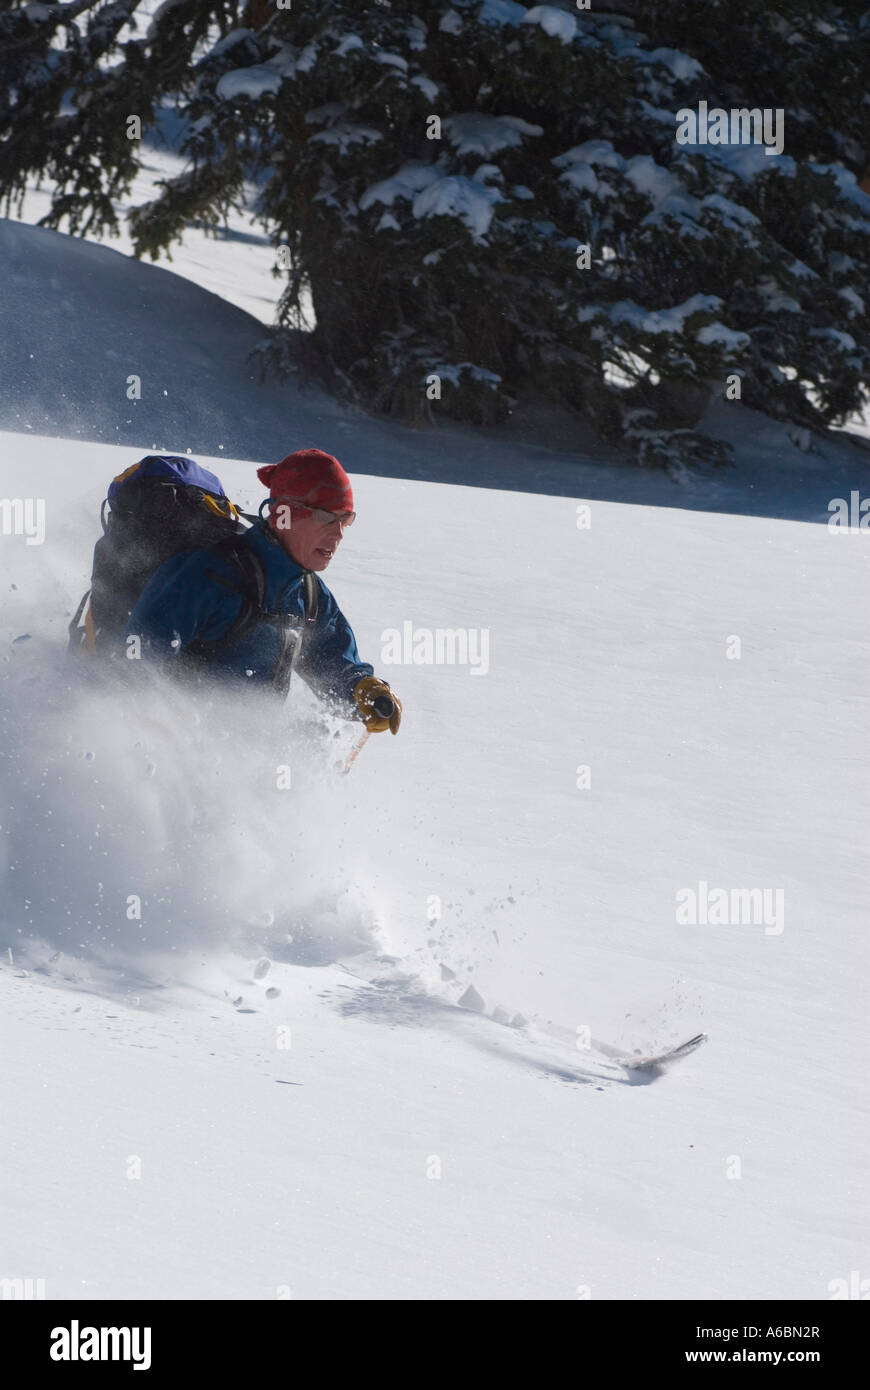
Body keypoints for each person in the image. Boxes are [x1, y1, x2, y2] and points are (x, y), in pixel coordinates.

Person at [123, 448, 401, 735]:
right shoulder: (206, 575)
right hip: (173, 751)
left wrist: (363, 691)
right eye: (325, 517)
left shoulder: (309, 594)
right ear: (284, 513)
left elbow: (332, 662)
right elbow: (132, 668)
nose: (339, 533)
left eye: (345, 519)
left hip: (243, 757)